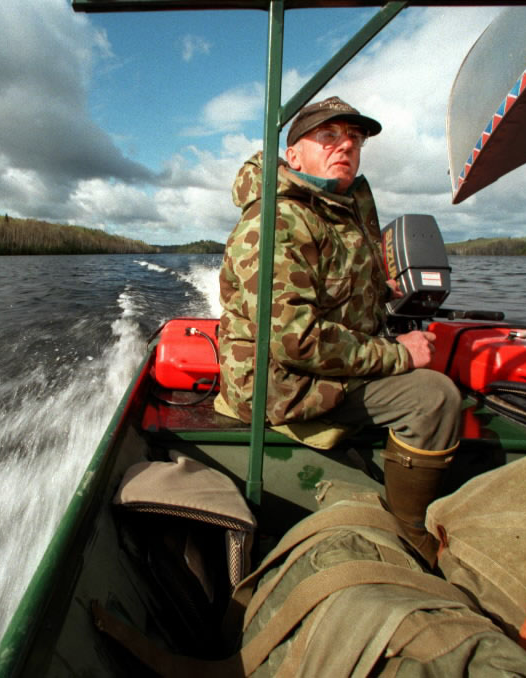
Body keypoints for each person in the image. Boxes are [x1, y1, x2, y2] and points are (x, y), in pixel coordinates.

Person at [218, 96, 462, 561]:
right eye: (327, 136)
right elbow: (296, 340)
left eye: (353, 137)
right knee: (435, 397)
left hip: (313, 366)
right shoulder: (279, 220)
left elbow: (329, 283)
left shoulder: (334, 209)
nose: (344, 146)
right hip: (281, 382)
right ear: (294, 156)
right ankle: (411, 533)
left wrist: (379, 292)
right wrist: (400, 355)